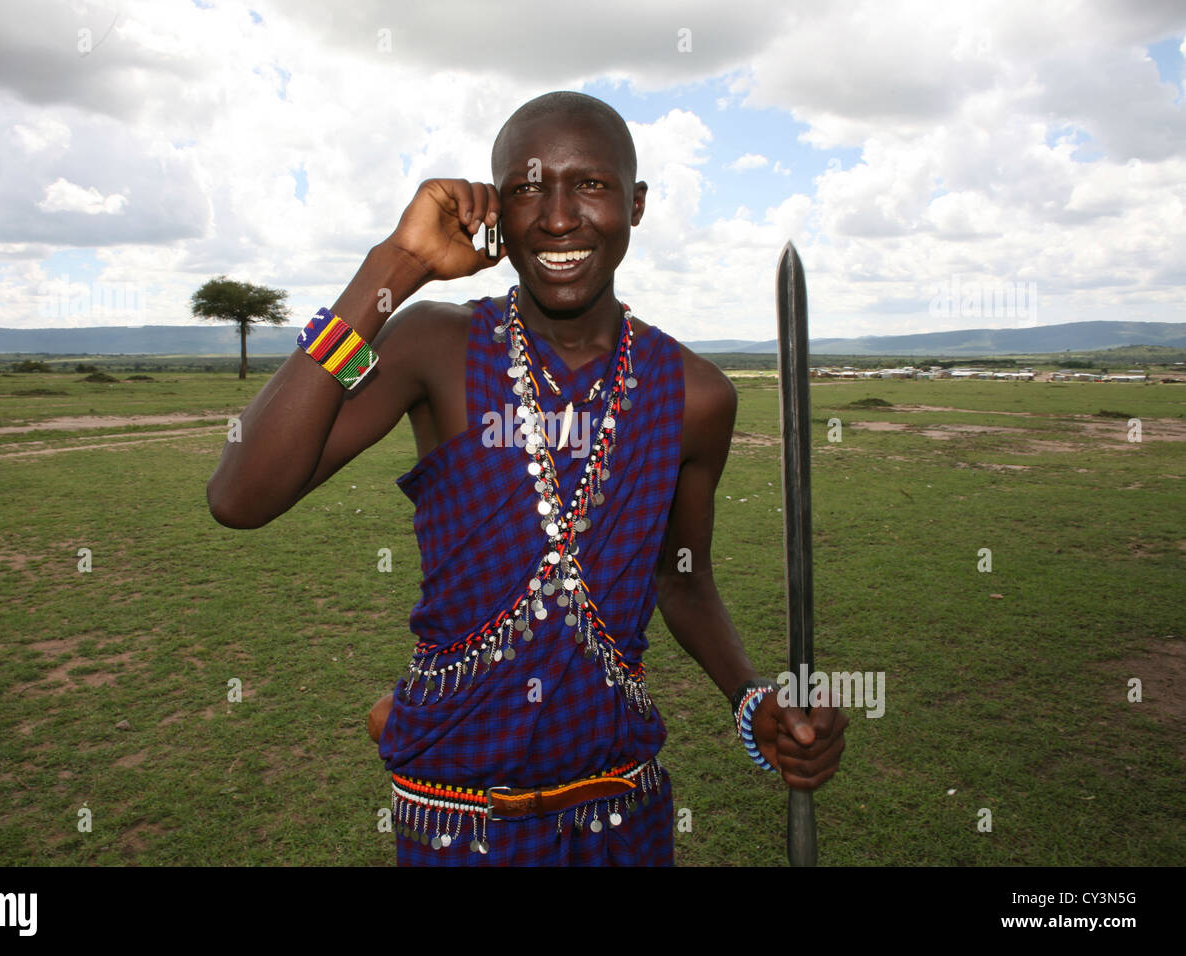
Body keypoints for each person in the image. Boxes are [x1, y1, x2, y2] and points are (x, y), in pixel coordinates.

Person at [207, 91, 846, 866]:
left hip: (624, 819)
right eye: (527, 189)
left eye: (592, 185)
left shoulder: (696, 395)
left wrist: (754, 701)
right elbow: (241, 496)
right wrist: (395, 266)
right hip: (455, 822)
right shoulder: (435, 347)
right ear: (495, 216)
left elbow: (684, 580)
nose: (557, 216)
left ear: (636, 205)